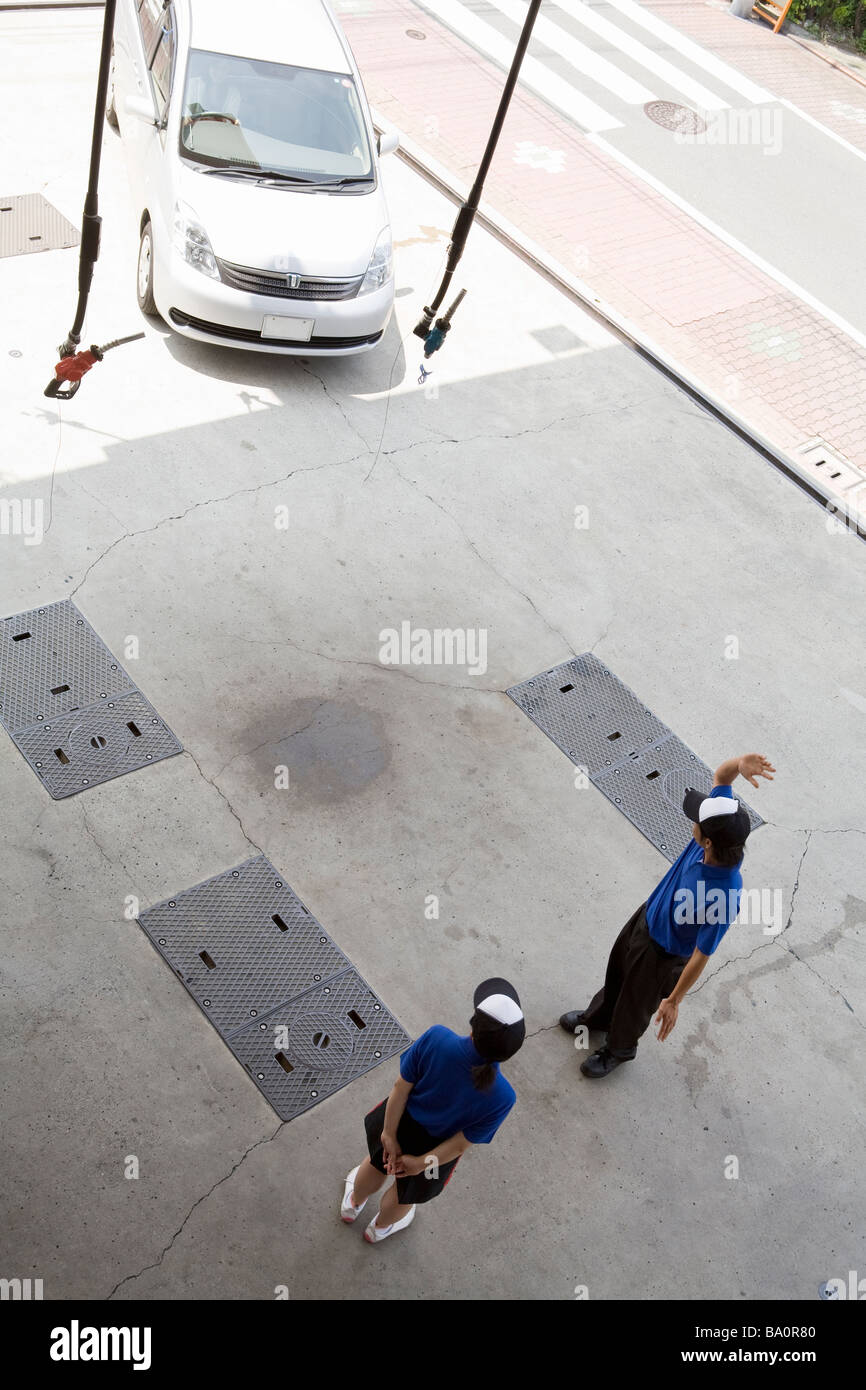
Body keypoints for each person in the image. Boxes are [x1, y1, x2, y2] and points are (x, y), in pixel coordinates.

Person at [560, 753, 775, 1077]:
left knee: (635, 1003)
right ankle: (599, 1018)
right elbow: (722, 777)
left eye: (696, 822)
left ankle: (618, 1049)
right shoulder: (716, 834)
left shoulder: (723, 896)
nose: (692, 822)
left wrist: (674, 1000)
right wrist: (740, 762)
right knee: (617, 974)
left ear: (707, 841)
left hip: (661, 955)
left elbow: (702, 954)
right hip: (646, 918)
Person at [340, 979, 524, 1242]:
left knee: (375, 1164)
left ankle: (353, 1203)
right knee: (406, 1194)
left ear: (474, 1025)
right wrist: (420, 1163)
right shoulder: (503, 1098)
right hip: (435, 1149)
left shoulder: (437, 1038)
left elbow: (400, 1087)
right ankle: (378, 1229)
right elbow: (461, 1145)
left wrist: (389, 1134)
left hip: (400, 1120)